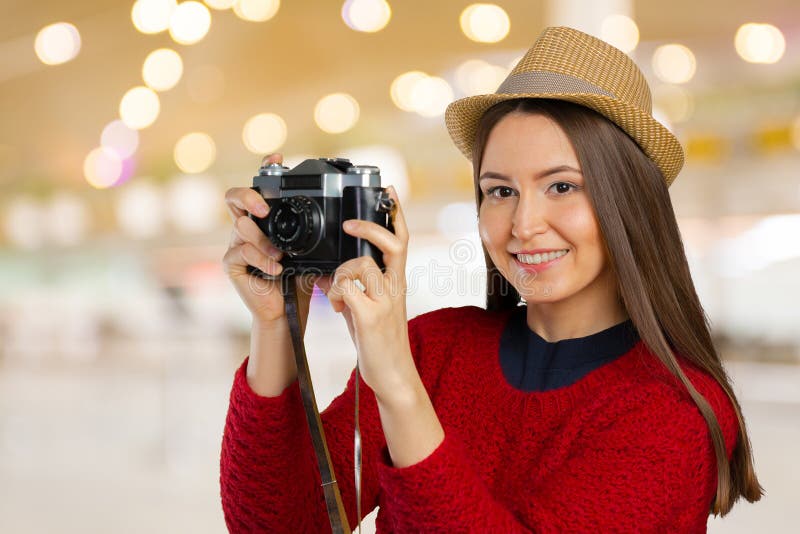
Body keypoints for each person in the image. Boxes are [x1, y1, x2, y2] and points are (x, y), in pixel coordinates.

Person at [219, 26, 762, 532]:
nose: (523, 226)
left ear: (629, 202)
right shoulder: (435, 349)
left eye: (562, 186)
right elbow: (277, 521)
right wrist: (273, 326)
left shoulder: (673, 411)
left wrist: (402, 391)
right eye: (500, 191)